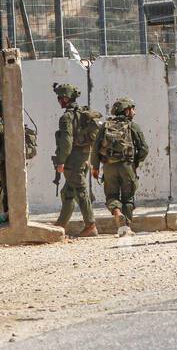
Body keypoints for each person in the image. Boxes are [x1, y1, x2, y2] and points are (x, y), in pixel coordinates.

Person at [90, 98, 148, 234]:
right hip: (127, 166)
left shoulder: (105, 126)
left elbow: (95, 147)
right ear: (126, 110)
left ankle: (116, 212)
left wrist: (95, 167)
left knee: (111, 195)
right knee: (128, 197)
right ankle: (125, 228)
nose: (134, 111)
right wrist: (135, 163)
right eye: (132, 108)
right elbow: (144, 149)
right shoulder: (133, 126)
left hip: (109, 167)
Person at [52, 82, 99, 237]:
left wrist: (61, 162)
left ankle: (90, 225)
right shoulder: (83, 113)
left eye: (60, 97)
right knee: (68, 192)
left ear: (66, 98)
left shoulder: (66, 117)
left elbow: (66, 142)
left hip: (73, 160)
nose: (58, 100)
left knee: (80, 190)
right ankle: (60, 225)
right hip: (84, 158)